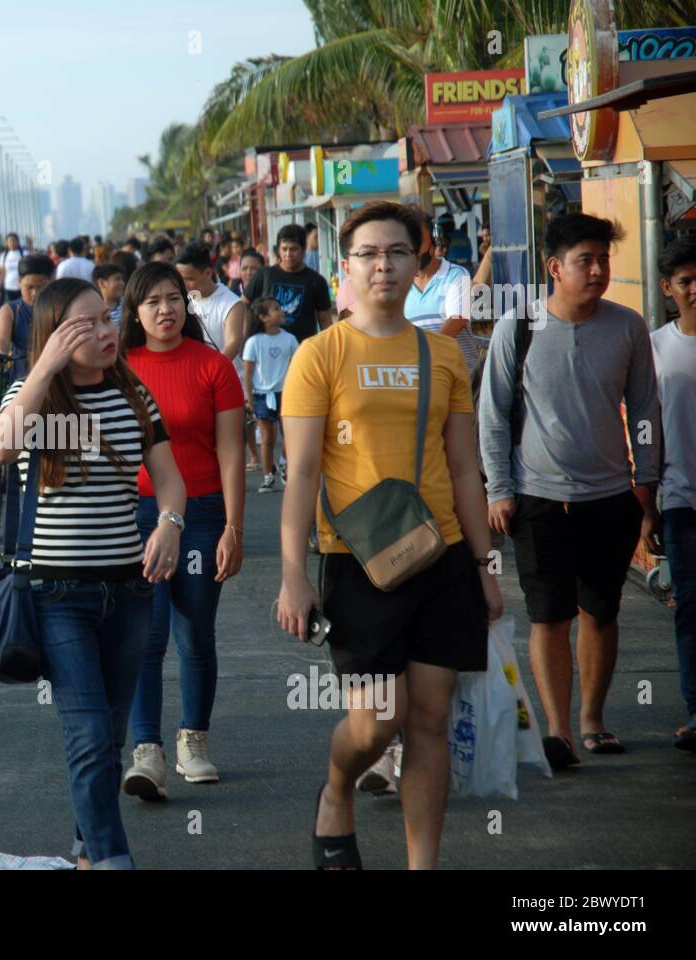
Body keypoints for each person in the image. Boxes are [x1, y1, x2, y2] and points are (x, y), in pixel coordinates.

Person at [277, 201, 501, 870]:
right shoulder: (319, 356)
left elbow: (466, 467)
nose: (383, 264)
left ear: (418, 260)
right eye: (369, 254)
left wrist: (487, 568)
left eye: (397, 252)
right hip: (358, 561)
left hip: (442, 554)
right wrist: (293, 574)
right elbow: (302, 473)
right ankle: (338, 785)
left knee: (430, 720)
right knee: (376, 723)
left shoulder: (444, 354)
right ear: (345, 267)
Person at [0, 276, 186, 869]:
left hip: (129, 589)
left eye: (107, 318)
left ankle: (83, 850)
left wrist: (170, 522)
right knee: (90, 738)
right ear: (53, 334)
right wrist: (44, 368)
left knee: (112, 735)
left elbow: (170, 477)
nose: (105, 332)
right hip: (56, 594)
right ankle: (110, 859)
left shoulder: (133, 393)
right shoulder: (31, 393)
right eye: (85, 324)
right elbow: (0, 447)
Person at [482, 213, 659, 768]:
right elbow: (491, 416)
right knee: (548, 616)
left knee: (601, 613)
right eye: (586, 260)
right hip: (537, 497)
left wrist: (645, 489)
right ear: (554, 268)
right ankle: (557, 730)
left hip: (611, 498)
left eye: (604, 260)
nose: (599, 270)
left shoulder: (627, 327)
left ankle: (592, 721)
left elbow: (647, 413)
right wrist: (499, 490)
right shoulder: (518, 326)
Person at [118, 262, 244, 799]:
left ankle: (194, 740)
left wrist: (234, 526)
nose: (166, 309)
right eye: (153, 302)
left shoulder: (214, 366)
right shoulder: (117, 367)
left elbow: (233, 453)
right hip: (133, 516)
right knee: (144, 635)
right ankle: (146, 751)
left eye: (175, 298)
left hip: (203, 514)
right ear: (135, 312)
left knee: (193, 634)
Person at [653, 237, 696, 751]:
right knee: (690, 607)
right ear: (668, 289)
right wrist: (646, 506)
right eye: (684, 282)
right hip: (681, 499)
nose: (694, 289)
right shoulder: (654, 347)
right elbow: (645, 429)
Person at [407, 213, 480, 373]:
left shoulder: (457, 275)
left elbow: (456, 321)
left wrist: (417, 357)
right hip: (421, 381)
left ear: (434, 242)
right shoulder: (400, 284)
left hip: (460, 378)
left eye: (418, 241)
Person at [243, 297, 298, 491]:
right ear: (263, 317)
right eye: (276, 309)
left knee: (289, 435)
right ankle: (268, 475)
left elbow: (297, 366)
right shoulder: (254, 342)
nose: (281, 311)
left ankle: (283, 462)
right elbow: (248, 373)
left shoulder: (290, 339)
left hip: (286, 393)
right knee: (267, 439)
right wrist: (249, 399)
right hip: (261, 395)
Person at [243, 223, 333, 343]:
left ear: (304, 250)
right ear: (278, 250)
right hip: (265, 351)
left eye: (293, 249)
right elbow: (242, 305)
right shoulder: (264, 274)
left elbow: (325, 320)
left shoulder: (316, 281)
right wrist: (246, 337)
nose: (288, 254)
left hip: (302, 352)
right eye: (284, 249)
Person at [174, 242, 247, 379]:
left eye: (189, 279)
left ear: (208, 273)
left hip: (227, 380)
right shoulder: (182, 299)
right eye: (180, 279)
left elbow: (233, 343)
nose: (183, 285)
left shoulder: (231, 303)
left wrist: (208, 372)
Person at [0, 254, 53, 381]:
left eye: (41, 287)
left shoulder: (59, 309)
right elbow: (2, 341)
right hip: (20, 381)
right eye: (29, 287)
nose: (35, 293)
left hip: (53, 378)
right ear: (19, 282)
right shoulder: (9, 311)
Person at [0, 233, 25, 304]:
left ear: (17, 242)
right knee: (11, 309)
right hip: (8, 287)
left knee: (22, 308)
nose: (12, 243)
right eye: (9, 241)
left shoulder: (24, 254)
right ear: (6, 243)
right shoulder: (3, 256)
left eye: (14, 240)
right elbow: (2, 274)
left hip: (21, 287)